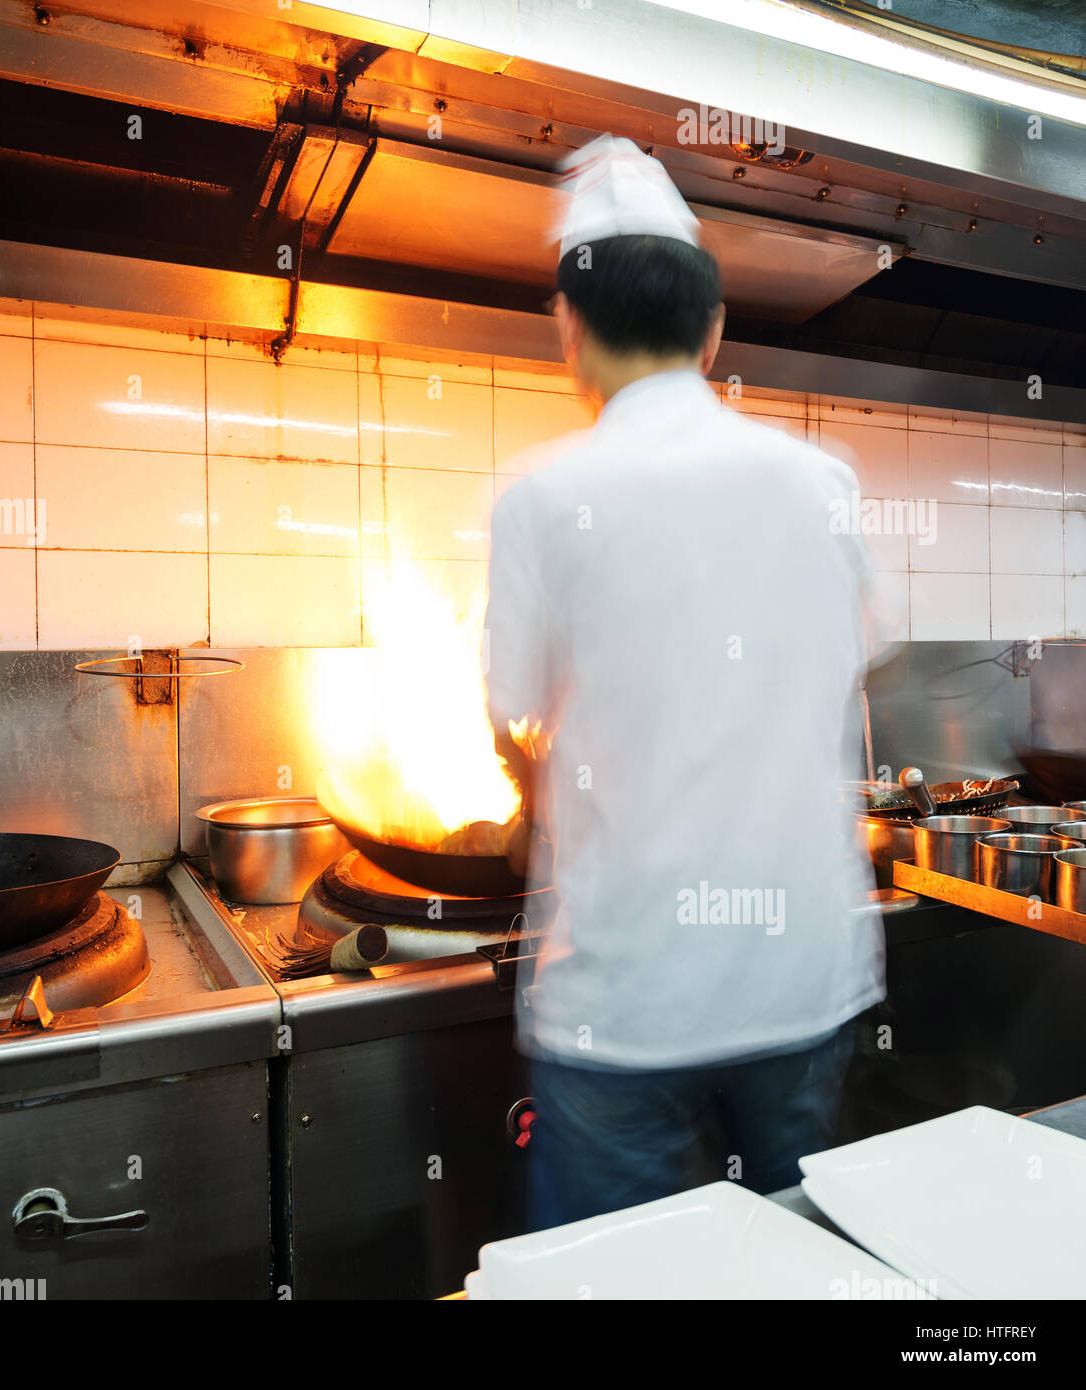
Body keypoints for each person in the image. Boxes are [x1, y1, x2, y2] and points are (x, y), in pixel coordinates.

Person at [484, 134, 884, 1232]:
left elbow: (512, 709)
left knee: (620, 1283)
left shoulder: (538, 496)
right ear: (712, 330)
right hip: (802, 975)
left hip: (627, 999)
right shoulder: (820, 481)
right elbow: (853, 661)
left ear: (570, 327)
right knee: (801, 1263)